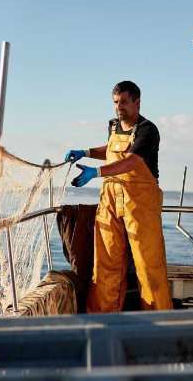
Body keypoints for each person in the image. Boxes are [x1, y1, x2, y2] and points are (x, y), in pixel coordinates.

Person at [65, 80, 173, 312]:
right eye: (115, 102)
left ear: (137, 102)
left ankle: (160, 318)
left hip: (140, 203)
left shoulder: (148, 130)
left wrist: (96, 172)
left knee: (148, 264)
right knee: (106, 263)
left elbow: (132, 161)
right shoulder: (113, 125)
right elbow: (111, 149)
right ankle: (102, 317)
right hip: (110, 200)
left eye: (124, 102)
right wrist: (85, 152)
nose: (118, 107)